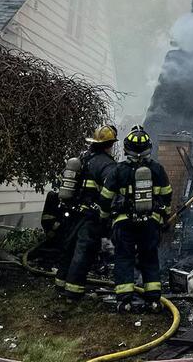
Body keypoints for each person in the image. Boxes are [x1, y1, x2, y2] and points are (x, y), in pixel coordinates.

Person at [99, 125, 172, 313]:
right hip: (150, 223)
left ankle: (124, 301)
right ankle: (153, 301)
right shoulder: (157, 169)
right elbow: (167, 196)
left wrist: (105, 219)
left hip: (124, 224)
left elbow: (105, 198)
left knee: (124, 258)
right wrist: (163, 217)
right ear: (150, 147)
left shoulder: (119, 170)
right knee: (149, 258)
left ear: (125, 149)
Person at [53, 123, 119, 300]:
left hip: (73, 212)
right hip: (90, 216)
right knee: (84, 252)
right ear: (111, 144)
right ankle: (73, 293)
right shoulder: (107, 164)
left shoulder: (84, 158)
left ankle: (60, 283)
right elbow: (112, 190)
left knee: (70, 248)